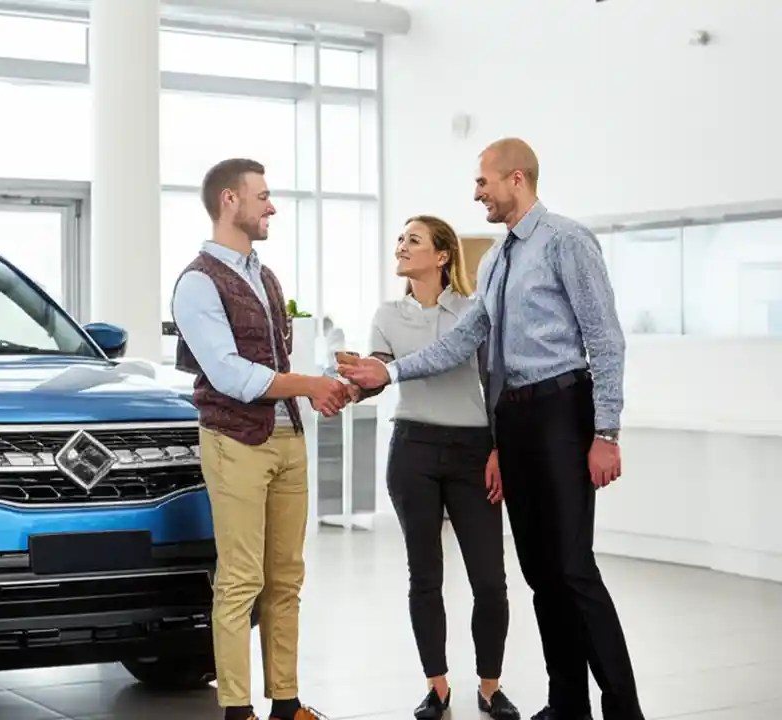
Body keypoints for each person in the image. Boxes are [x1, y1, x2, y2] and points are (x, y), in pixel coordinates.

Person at [340, 138, 644, 720]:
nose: (477, 192)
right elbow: (463, 341)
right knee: (539, 575)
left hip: (562, 410)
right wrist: (389, 369)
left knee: (574, 568)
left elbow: (605, 338)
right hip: (516, 420)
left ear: (517, 179)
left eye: (484, 182)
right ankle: (567, 705)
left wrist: (606, 432)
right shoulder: (499, 259)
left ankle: (624, 710)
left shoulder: (566, 241)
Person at [171, 157, 347, 720]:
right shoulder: (198, 281)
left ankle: (286, 701)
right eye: (263, 196)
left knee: (286, 578)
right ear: (230, 201)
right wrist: (310, 384)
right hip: (235, 440)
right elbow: (228, 374)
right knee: (240, 579)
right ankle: (236, 708)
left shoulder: (265, 276)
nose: (271, 207)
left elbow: (273, 359)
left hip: (287, 435)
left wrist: (320, 383)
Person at [356, 215, 521, 720]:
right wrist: (352, 378)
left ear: (443, 255)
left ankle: (490, 687)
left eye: (413, 240)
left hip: (474, 451)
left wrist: (500, 450)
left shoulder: (475, 312)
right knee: (424, 576)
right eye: (400, 240)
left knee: (489, 580)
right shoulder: (387, 314)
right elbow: (377, 377)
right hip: (413, 449)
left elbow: (498, 385)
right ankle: (438, 687)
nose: (401, 247)